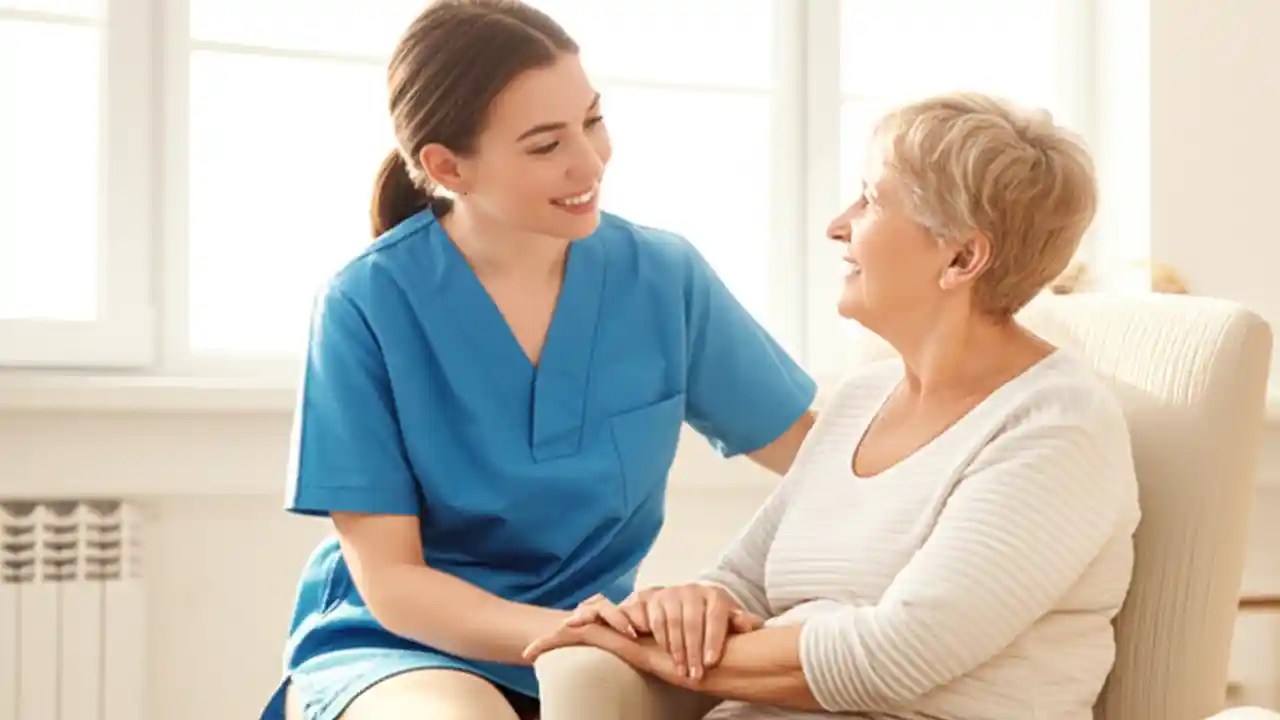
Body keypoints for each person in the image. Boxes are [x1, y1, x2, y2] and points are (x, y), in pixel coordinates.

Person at [257, 2, 818, 719]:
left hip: (592, 652)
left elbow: (814, 454)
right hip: (405, 648)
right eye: (544, 144)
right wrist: (576, 633)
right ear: (446, 166)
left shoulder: (663, 277)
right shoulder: (365, 303)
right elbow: (394, 582)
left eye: (592, 120)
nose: (589, 162)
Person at [528, 92, 1143, 720]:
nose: (838, 225)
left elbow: (895, 655)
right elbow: (743, 583)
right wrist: (686, 606)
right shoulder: (861, 399)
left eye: (872, 200)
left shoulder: (1056, 429)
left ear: (962, 257)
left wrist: (647, 652)